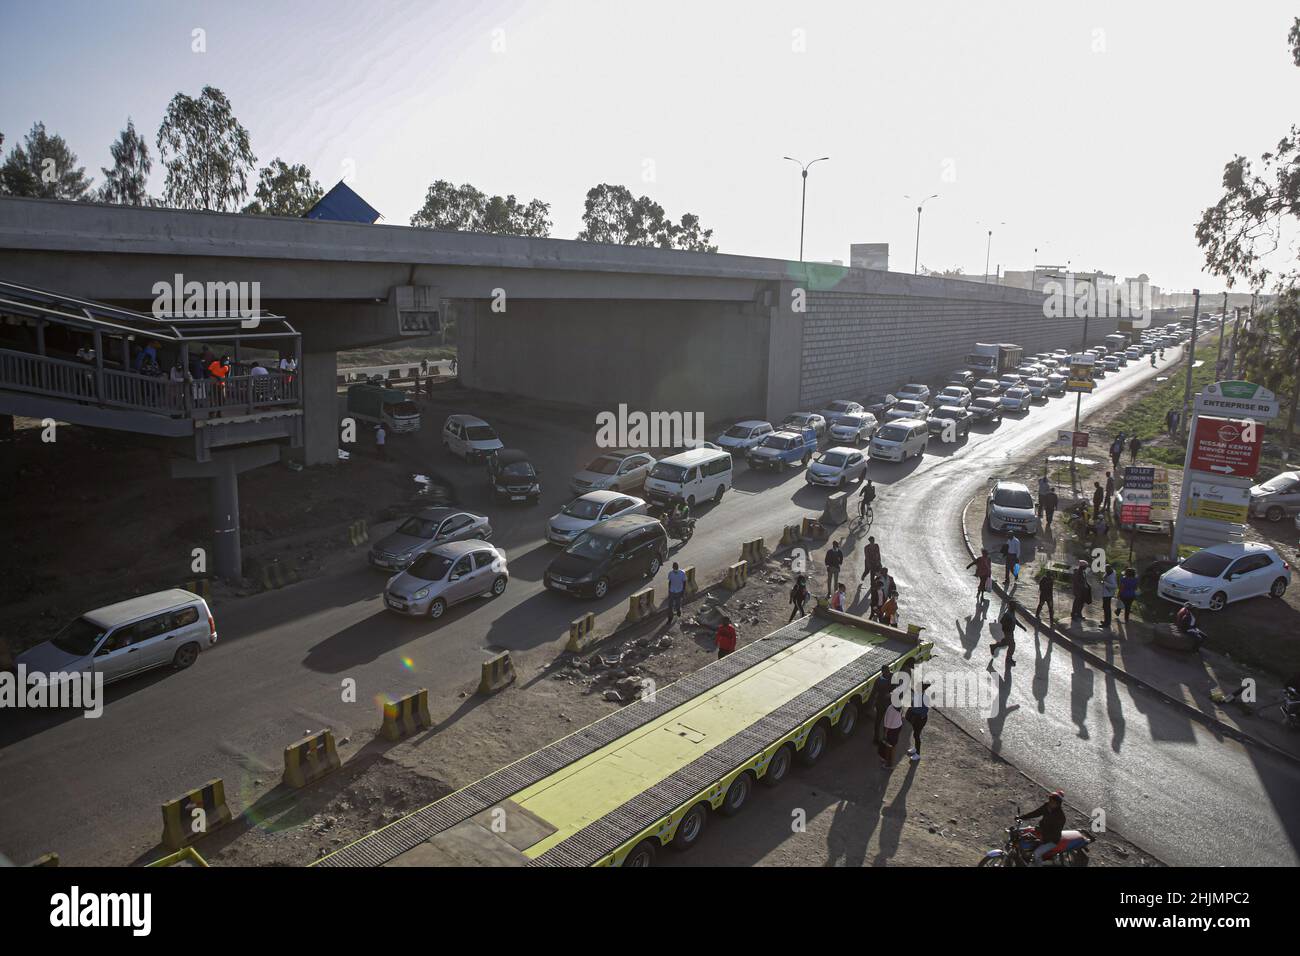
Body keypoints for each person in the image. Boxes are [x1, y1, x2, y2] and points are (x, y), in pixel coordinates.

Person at [1022, 790, 1067, 865]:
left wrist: (1042, 831)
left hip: (1052, 840)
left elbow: (1055, 833)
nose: (1050, 803)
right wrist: (1023, 817)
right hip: (1041, 832)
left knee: (1036, 854)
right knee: (1023, 834)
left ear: (1058, 804)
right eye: (1050, 800)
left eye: (1053, 802)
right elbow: (1036, 813)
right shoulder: (1047, 806)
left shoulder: (1060, 817)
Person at [906, 681, 931, 763]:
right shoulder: (918, 694)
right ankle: (915, 749)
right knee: (915, 734)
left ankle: (918, 754)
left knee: (916, 735)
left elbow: (925, 710)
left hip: (920, 719)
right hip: (916, 717)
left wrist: (918, 717)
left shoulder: (925, 697)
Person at [991, 601, 1023, 665]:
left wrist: (1021, 626)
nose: (1015, 607)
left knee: (1005, 643)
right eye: (1014, 606)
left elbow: (1014, 620)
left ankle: (994, 646)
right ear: (1011, 607)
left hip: (1010, 632)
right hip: (1007, 632)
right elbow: (1002, 622)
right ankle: (1008, 659)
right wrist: (1005, 629)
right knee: (1012, 645)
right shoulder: (1007, 614)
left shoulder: (1012, 612)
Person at [869, 664, 893, 745]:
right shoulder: (878, 681)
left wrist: (891, 694)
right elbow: (873, 693)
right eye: (886, 672)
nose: (888, 673)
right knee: (878, 721)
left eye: (889, 671)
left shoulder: (891, 676)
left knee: (886, 721)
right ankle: (876, 739)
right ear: (883, 672)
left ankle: (884, 737)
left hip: (888, 703)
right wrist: (872, 706)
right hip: (881, 704)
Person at [879, 696, 905, 769]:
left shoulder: (891, 709)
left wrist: (885, 734)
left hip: (891, 730)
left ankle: (890, 764)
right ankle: (887, 760)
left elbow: (888, 724)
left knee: (889, 747)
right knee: (893, 746)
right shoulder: (900, 705)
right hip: (897, 727)